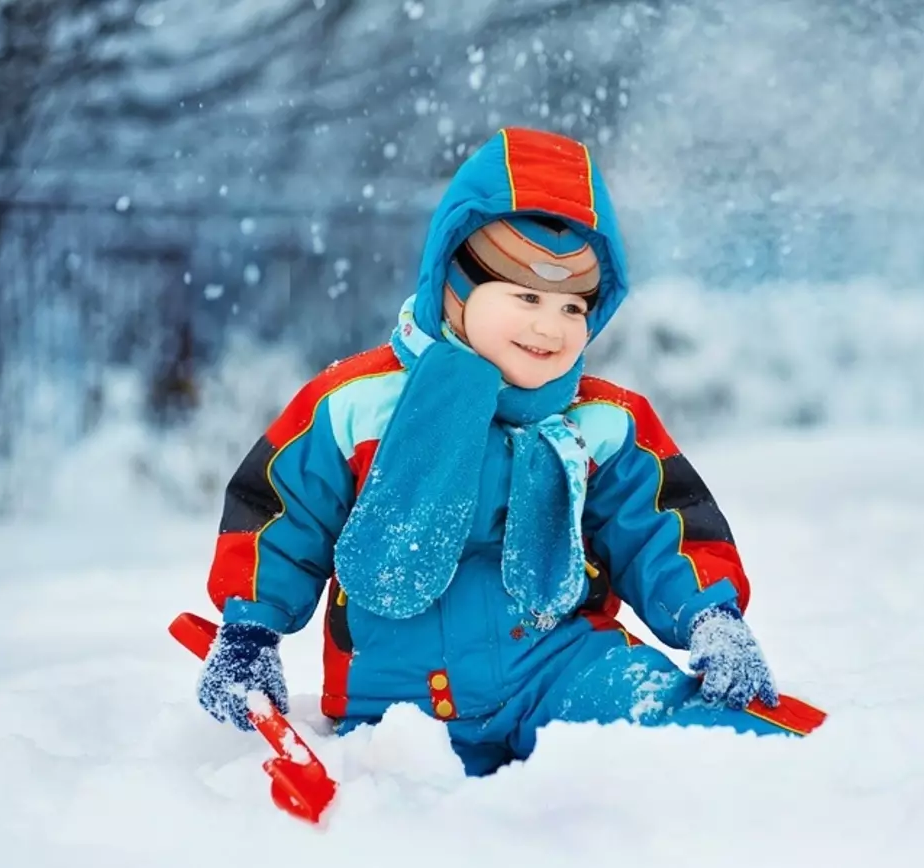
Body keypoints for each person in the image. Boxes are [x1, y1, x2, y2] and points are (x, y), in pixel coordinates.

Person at [196, 127, 792, 776]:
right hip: (400, 701)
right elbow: (279, 511)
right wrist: (249, 632)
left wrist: (710, 615)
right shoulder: (358, 406)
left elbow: (661, 524)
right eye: (528, 297)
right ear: (453, 286)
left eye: (573, 306)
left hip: (558, 666)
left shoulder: (600, 422)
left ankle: (740, 769)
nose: (550, 326)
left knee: (671, 740)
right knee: (416, 809)